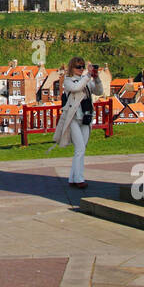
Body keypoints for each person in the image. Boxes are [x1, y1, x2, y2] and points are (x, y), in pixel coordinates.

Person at [53, 57, 107, 190]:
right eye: (78, 67)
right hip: (72, 118)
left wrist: (96, 78)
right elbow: (76, 88)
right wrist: (88, 75)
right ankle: (79, 179)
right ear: (72, 68)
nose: (81, 69)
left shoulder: (86, 81)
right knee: (80, 148)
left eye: (82, 66)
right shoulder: (68, 81)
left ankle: (73, 178)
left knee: (81, 149)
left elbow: (99, 91)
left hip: (85, 117)